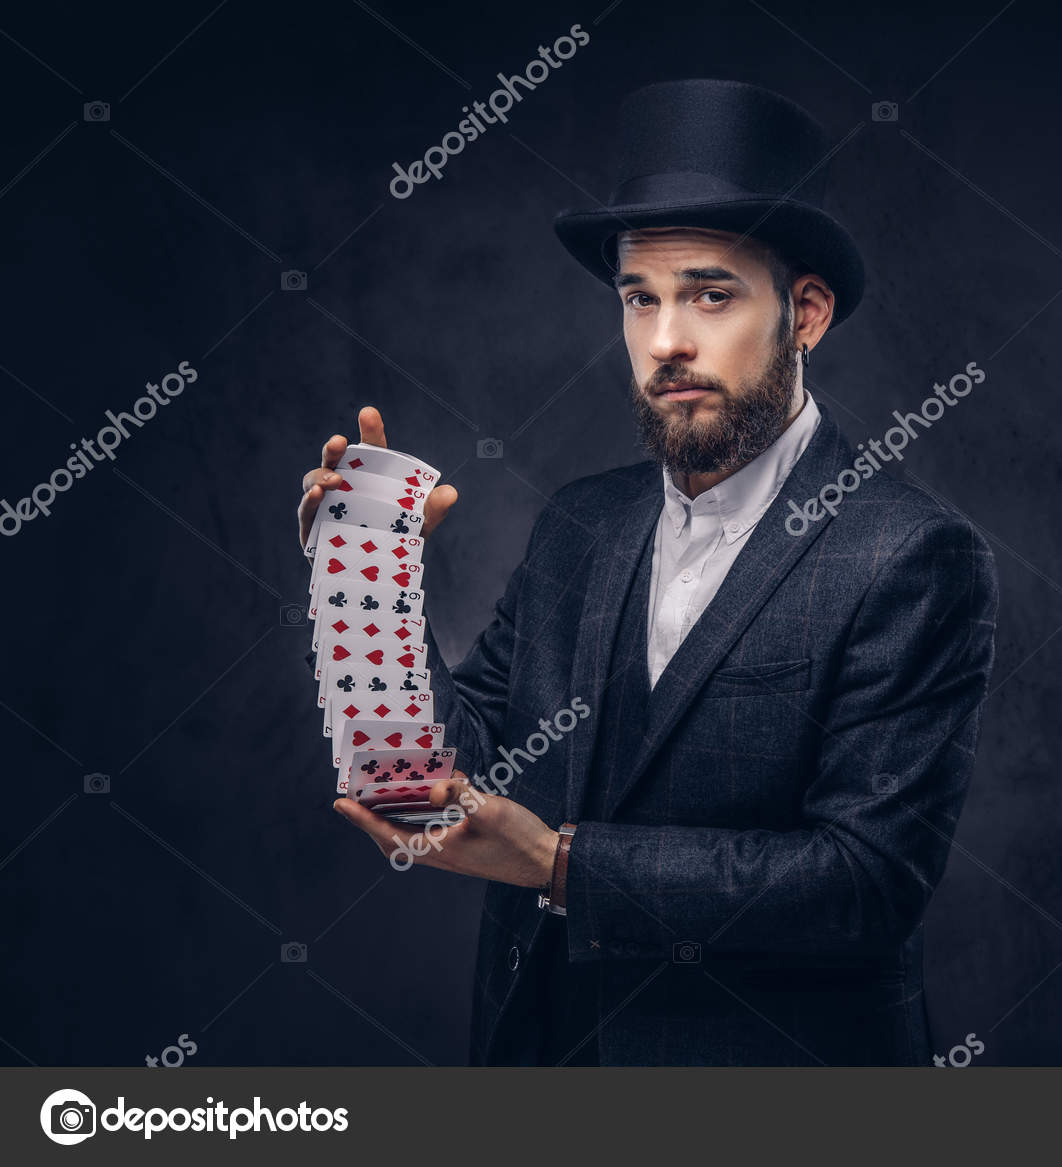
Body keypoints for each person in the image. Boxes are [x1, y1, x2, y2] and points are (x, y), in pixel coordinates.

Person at [296, 78, 998, 1066]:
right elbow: (450, 781)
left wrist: (562, 866)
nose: (667, 340)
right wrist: (364, 579)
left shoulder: (913, 556)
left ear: (805, 313)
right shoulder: (581, 523)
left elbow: (863, 884)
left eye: (710, 294)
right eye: (641, 298)